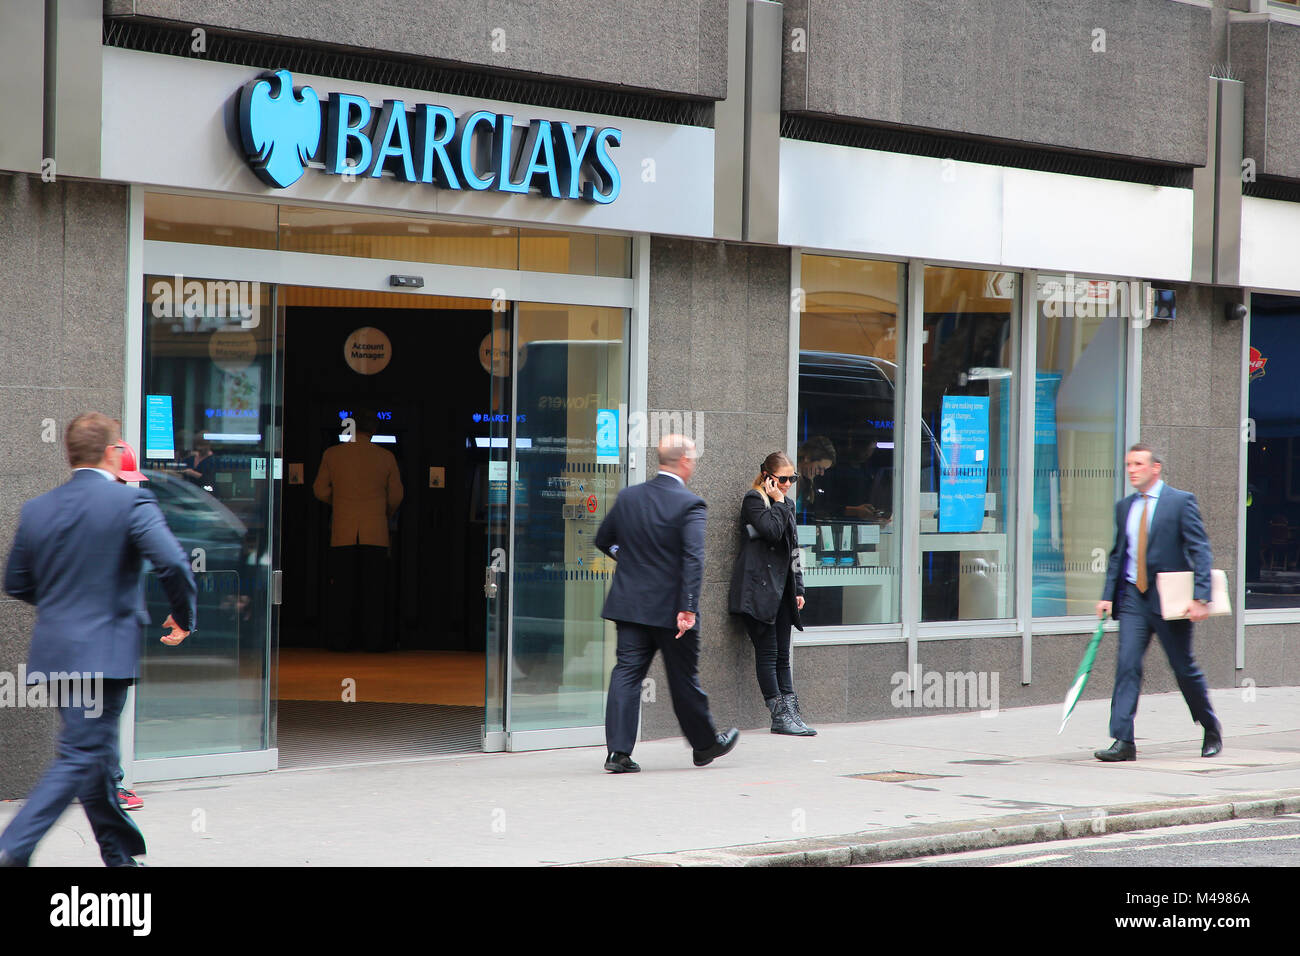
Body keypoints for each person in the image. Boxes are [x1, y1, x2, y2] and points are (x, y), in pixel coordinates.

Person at [0, 413, 196, 867]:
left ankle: (120, 857)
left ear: (70, 455)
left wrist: (63, 608)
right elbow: (173, 564)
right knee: (82, 753)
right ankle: (15, 846)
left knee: (95, 753)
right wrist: (183, 617)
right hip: (103, 653)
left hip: (56, 653)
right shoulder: (131, 503)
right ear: (112, 452)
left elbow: (17, 582)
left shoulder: (38, 509)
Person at [595, 434, 739, 773]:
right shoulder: (690, 504)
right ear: (685, 462)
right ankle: (704, 745)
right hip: (673, 612)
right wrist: (688, 608)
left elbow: (604, 540)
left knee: (626, 674)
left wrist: (625, 557)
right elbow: (693, 559)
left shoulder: (630, 497)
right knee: (682, 678)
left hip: (630, 606)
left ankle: (618, 753)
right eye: (693, 459)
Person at [1095, 443, 1222, 762]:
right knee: (1127, 665)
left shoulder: (1180, 502)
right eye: (1128, 464)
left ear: (1155, 468)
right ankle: (1123, 740)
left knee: (1183, 668)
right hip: (1134, 599)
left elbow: (1200, 550)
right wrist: (1107, 595)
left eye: (1138, 464)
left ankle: (1210, 727)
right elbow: (1117, 555)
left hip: (1169, 600)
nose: (1131, 470)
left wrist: (1201, 597)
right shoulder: (1125, 506)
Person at [729, 451, 815, 736]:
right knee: (767, 655)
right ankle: (779, 716)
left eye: (793, 478)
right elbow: (773, 531)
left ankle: (792, 713)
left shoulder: (785, 503)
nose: (789, 483)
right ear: (767, 476)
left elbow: (793, 549)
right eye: (784, 478)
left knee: (782, 656)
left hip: (782, 591)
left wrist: (798, 588)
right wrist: (777, 501)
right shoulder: (754, 500)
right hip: (759, 592)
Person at [312, 409, 404, 652]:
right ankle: (373, 642)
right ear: (373, 430)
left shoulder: (332, 454)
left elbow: (319, 490)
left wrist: (340, 501)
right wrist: (383, 511)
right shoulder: (385, 457)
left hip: (342, 530)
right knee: (374, 589)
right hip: (376, 531)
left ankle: (340, 641)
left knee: (342, 589)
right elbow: (397, 495)